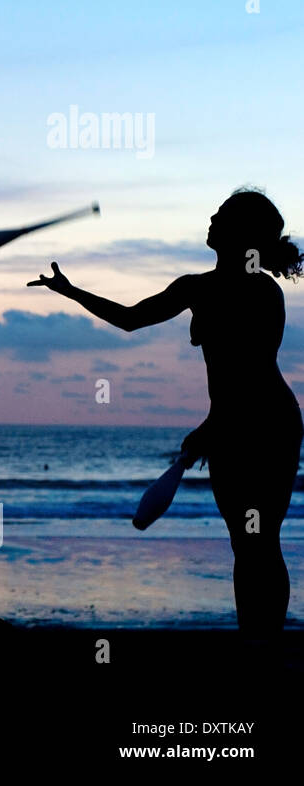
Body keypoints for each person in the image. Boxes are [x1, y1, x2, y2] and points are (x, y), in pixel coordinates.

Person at [28, 188, 302, 644]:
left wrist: (213, 427)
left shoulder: (262, 293)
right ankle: (254, 643)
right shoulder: (195, 287)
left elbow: (251, 378)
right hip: (234, 424)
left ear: (242, 233)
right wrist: (71, 291)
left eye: (224, 214)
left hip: (267, 425)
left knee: (260, 541)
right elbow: (131, 319)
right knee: (245, 542)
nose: (212, 216)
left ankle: (264, 646)